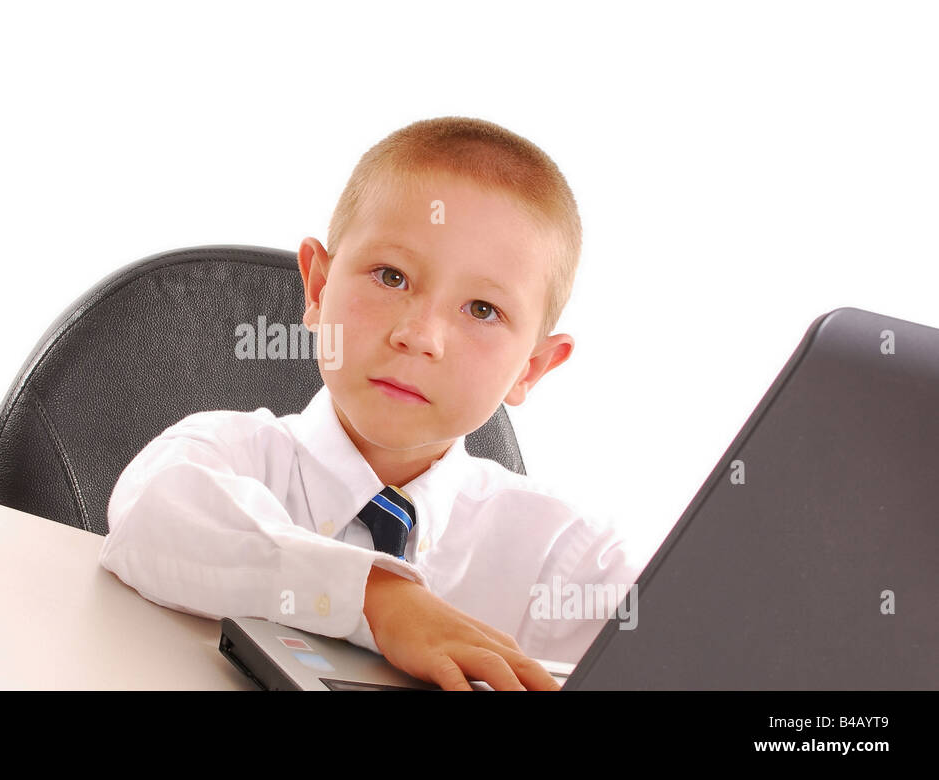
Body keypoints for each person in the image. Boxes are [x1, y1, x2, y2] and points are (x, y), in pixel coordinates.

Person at [99, 116, 644, 691]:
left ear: (530, 367)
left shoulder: (561, 552)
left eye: (482, 309)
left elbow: (699, 640)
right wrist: (377, 597)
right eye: (392, 276)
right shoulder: (230, 454)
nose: (420, 336)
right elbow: (149, 515)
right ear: (317, 289)